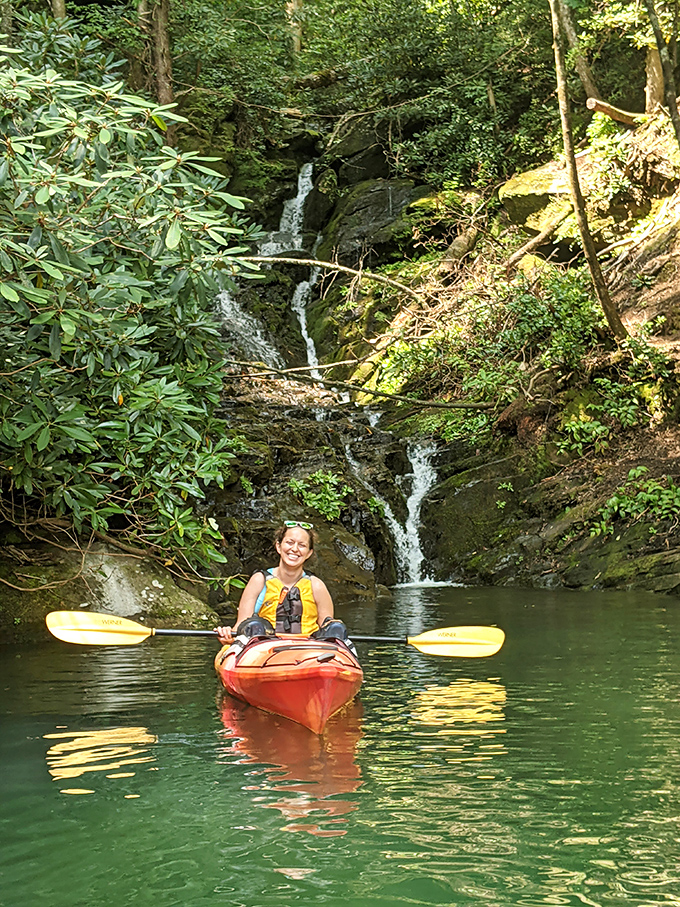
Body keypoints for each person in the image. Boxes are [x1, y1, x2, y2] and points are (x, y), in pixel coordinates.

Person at [215, 520, 347, 646]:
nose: (295, 549)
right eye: (290, 542)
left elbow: (328, 630)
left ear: (309, 553)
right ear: (278, 546)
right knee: (254, 625)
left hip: (309, 651)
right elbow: (241, 626)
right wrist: (228, 636)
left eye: (302, 545)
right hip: (264, 649)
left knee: (336, 626)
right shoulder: (259, 581)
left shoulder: (317, 586)